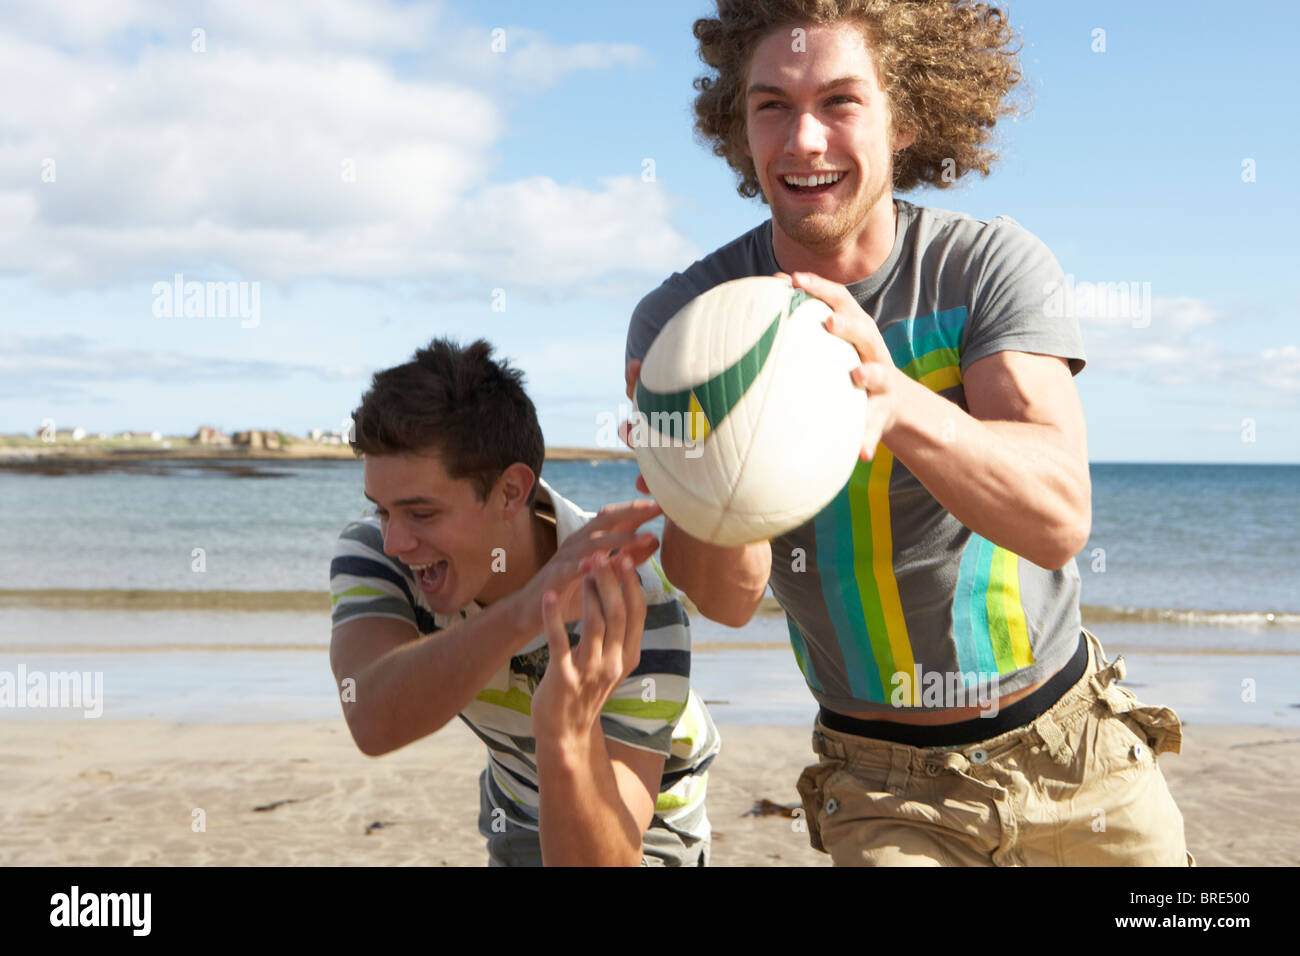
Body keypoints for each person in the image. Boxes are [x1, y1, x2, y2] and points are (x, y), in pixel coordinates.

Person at [623, 0, 1191, 866]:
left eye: (840, 102)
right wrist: (700, 478)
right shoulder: (685, 327)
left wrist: (893, 396)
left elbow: (1058, 517)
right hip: (884, 785)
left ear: (907, 117)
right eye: (771, 104)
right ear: (739, 126)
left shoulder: (986, 268)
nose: (803, 139)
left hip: (1076, 752)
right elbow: (731, 600)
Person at [330, 337, 719, 866]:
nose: (395, 541)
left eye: (421, 513)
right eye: (382, 510)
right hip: (514, 808)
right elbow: (372, 719)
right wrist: (527, 611)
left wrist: (564, 733)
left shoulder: (632, 601)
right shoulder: (378, 553)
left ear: (511, 492)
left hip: (644, 827)